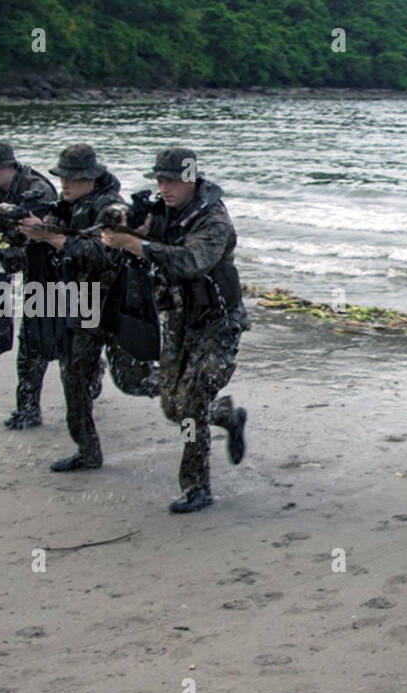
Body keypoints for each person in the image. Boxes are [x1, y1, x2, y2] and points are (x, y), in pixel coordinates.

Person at [101, 148, 249, 514]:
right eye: (160, 180)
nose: (163, 187)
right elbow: (128, 221)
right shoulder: (165, 212)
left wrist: (139, 245)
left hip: (218, 323)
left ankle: (196, 485)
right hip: (179, 320)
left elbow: (191, 262)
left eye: (171, 181)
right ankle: (227, 416)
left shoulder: (214, 220)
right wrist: (123, 221)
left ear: (191, 181)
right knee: (173, 407)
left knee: (192, 401)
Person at [19, 144, 158, 473]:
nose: (64, 184)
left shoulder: (110, 209)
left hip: (115, 305)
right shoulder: (69, 205)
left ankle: (197, 401)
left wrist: (51, 238)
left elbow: (102, 254)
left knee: (134, 381)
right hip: (83, 304)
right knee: (74, 378)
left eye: (72, 178)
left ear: (91, 180)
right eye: (62, 177)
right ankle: (87, 451)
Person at [0, 140, 58, 430]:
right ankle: (28, 409)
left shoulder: (39, 191)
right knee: (30, 344)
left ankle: (91, 376)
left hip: (52, 271)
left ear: (10, 166)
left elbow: (42, 239)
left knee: (60, 339)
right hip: (25, 266)